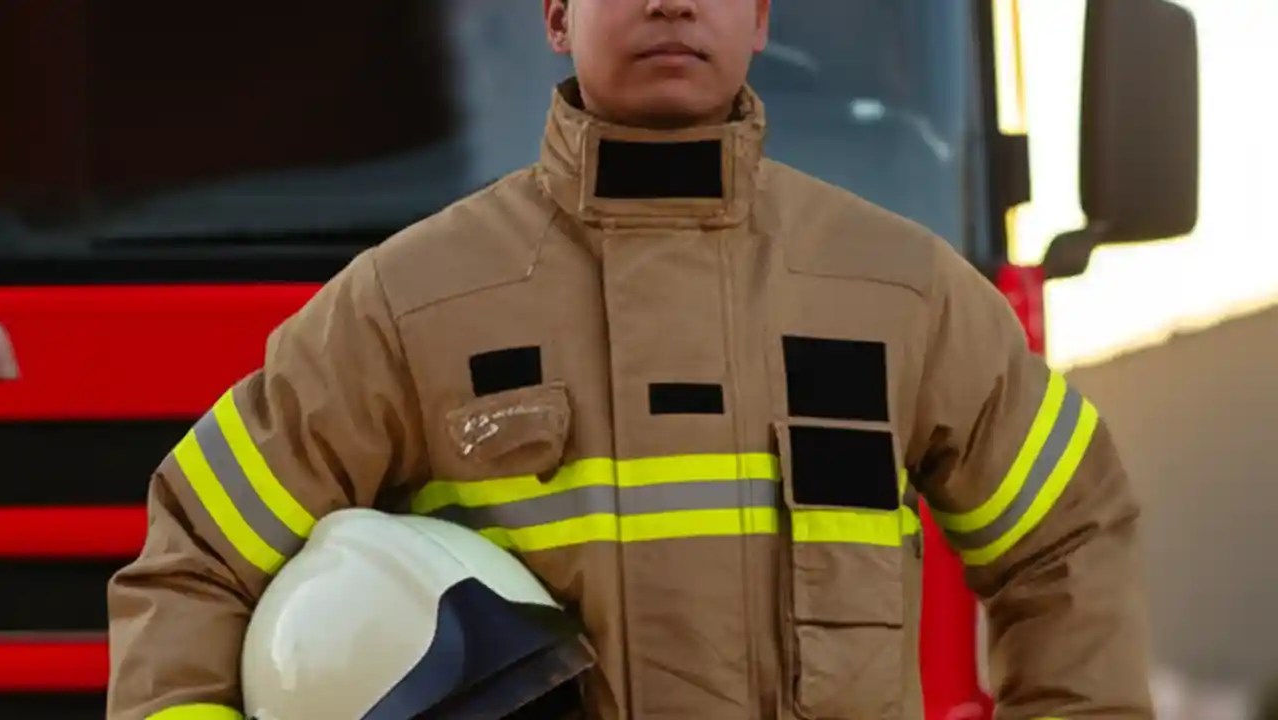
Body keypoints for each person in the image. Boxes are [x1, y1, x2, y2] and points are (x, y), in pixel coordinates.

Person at [106, 0, 1153, 718]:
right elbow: (196, 564)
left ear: (760, 14)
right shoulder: (402, 307)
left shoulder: (906, 295)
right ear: (556, 14)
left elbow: (1067, 537)